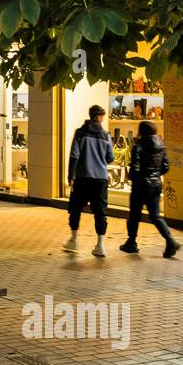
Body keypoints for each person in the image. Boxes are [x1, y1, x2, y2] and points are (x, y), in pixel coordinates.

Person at [119, 120, 179, 258]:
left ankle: (131, 242)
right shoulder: (161, 145)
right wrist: (155, 175)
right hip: (155, 184)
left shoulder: (138, 146)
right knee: (155, 216)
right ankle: (170, 241)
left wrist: (133, 177)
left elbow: (135, 168)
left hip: (140, 185)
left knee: (134, 215)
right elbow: (165, 167)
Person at [63, 104, 113, 257]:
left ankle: (73, 240)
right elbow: (110, 158)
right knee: (100, 212)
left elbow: (74, 155)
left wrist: (71, 176)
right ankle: (100, 245)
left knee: (75, 209)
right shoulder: (106, 135)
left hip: (83, 177)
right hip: (100, 179)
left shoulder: (80, 133)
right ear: (99, 117)